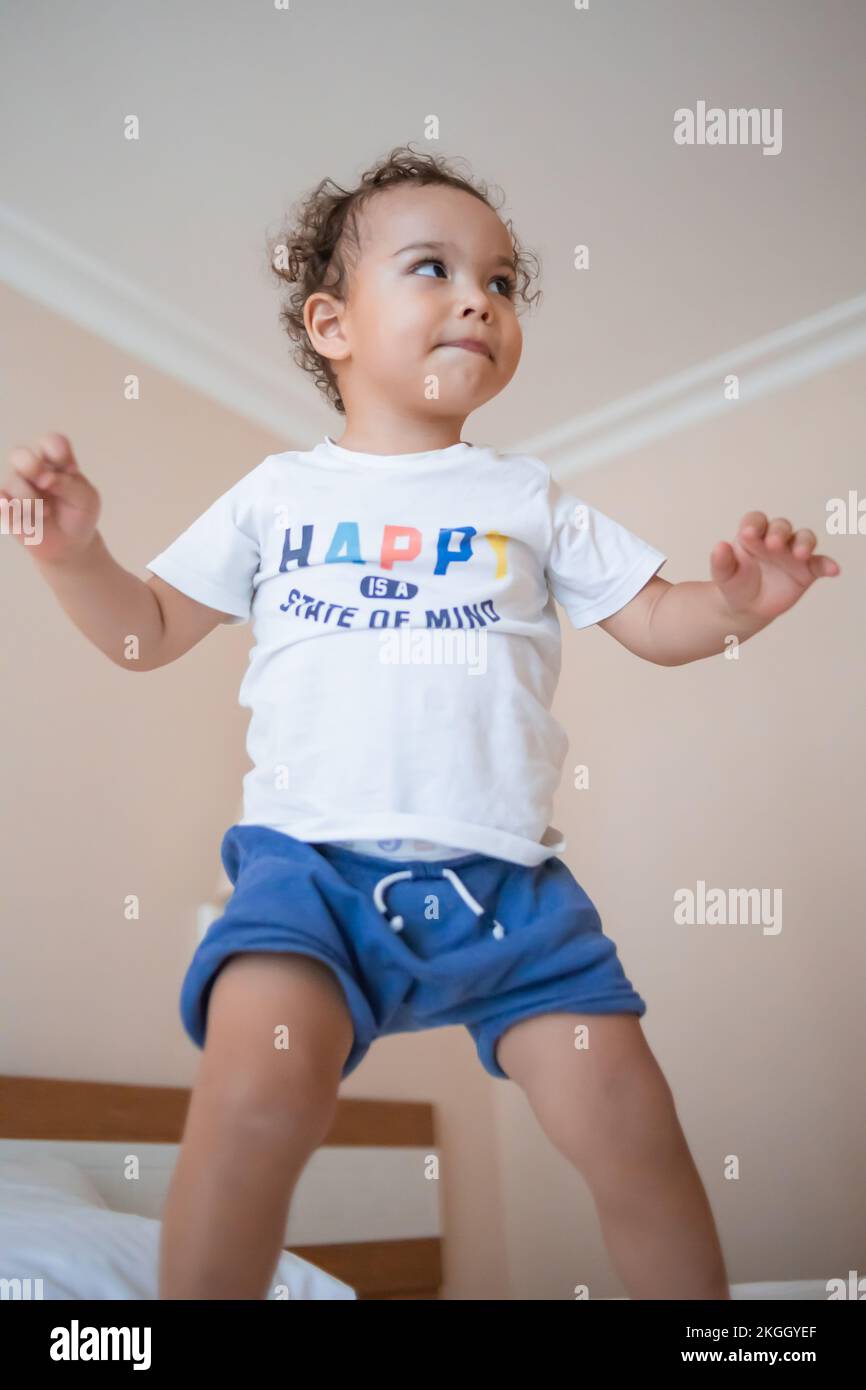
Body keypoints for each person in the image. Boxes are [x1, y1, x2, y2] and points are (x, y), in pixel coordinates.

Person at [2, 145, 840, 1301]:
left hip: (513, 899)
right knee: (253, 1099)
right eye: (435, 268)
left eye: (501, 283)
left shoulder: (528, 498)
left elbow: (653, 620)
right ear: (333, 324)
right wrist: (73, 553)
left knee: (632, 1128)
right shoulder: (275, 494)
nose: (476, 301)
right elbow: (143, 632)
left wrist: (738, 604)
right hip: (310, 876)